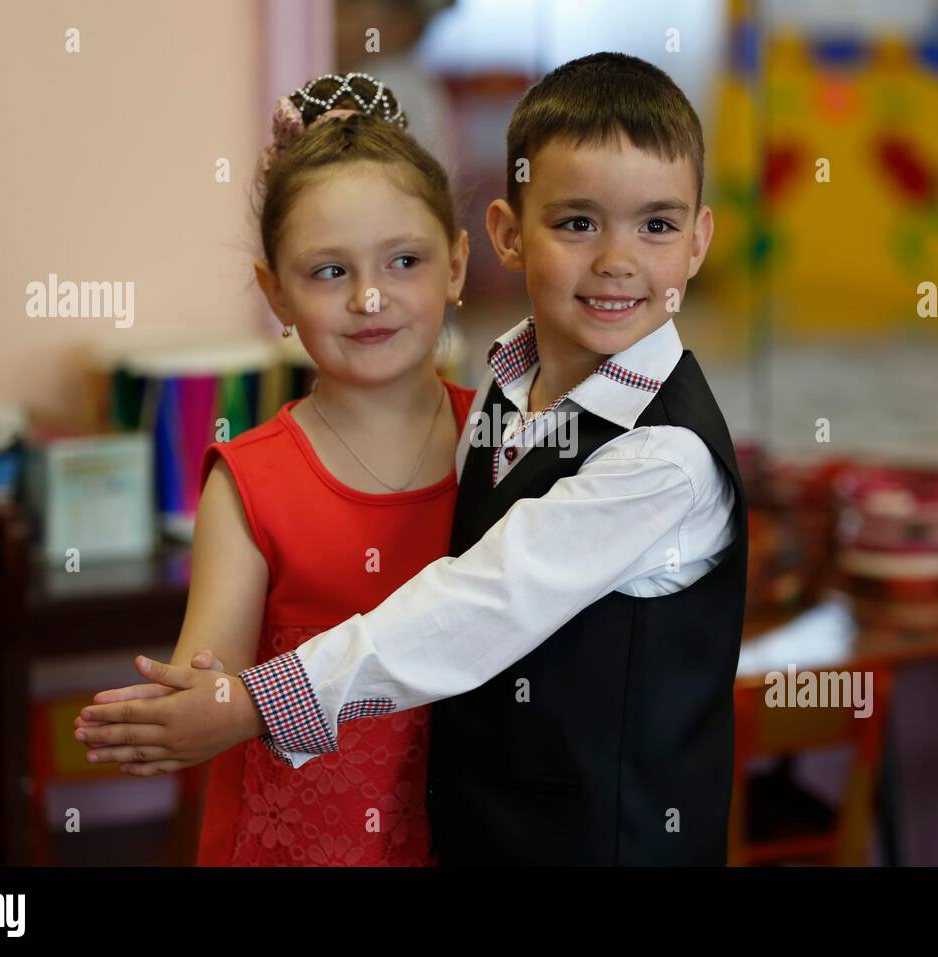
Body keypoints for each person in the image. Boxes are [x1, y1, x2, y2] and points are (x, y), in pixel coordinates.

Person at [78, 53, 748, 866]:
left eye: (657, 224)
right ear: (506, 235)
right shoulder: (507, 384)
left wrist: (258, 700)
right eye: (577, 223)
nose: (616, 259)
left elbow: (484, 602)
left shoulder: (664, 457)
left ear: (700, 240)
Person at [76, 72, 473, 866]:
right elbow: (209, 680)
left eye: (404, 261)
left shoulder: (504, 443)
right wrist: (177, 715)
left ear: (457, 266)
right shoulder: (249, 481)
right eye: (329, 271)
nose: (369, 297)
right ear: (276, 293)